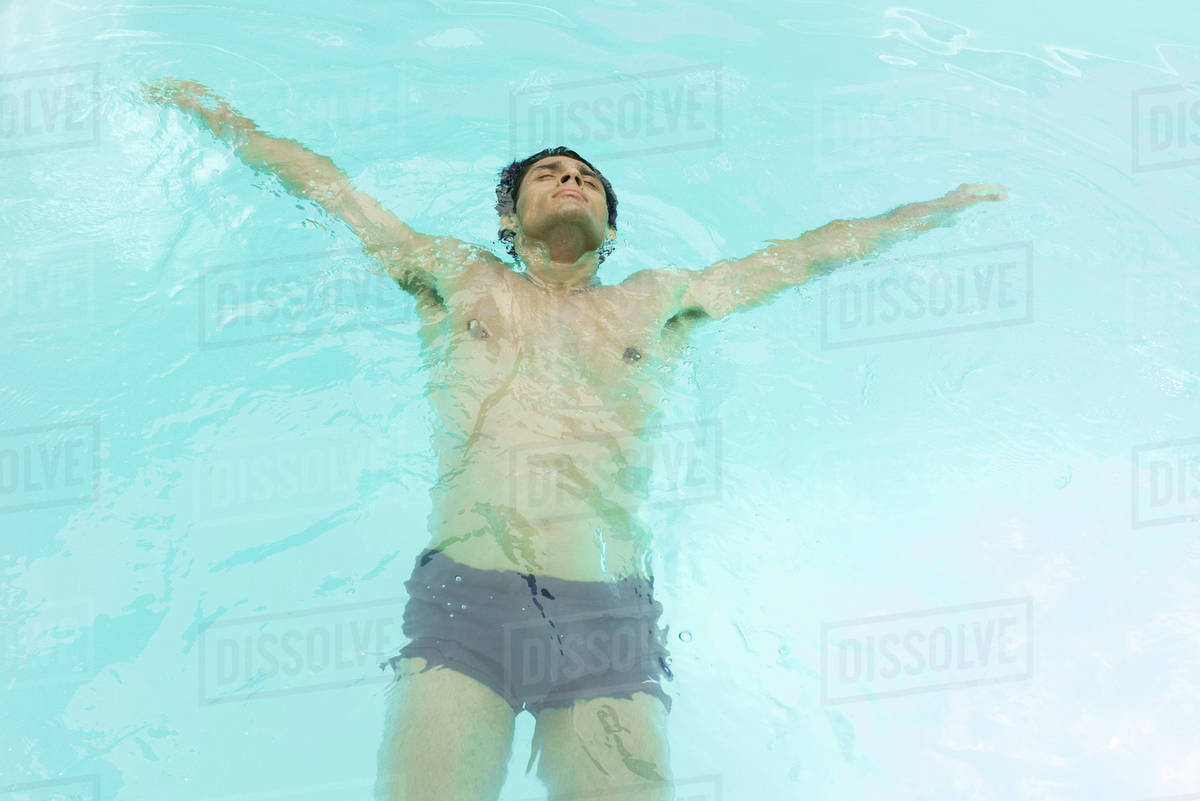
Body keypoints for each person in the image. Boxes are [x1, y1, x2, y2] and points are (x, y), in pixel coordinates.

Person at [144, 77, 1007, 801]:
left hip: (608, 621)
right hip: (465, 604)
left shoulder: (656, 301)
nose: (571, 179)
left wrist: (939, 210)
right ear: (508, 221)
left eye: (587, 177)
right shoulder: (458, 279)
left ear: (612, 228)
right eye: (550, 174)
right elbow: (332, 191)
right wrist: (217, 115)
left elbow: (803, 258)